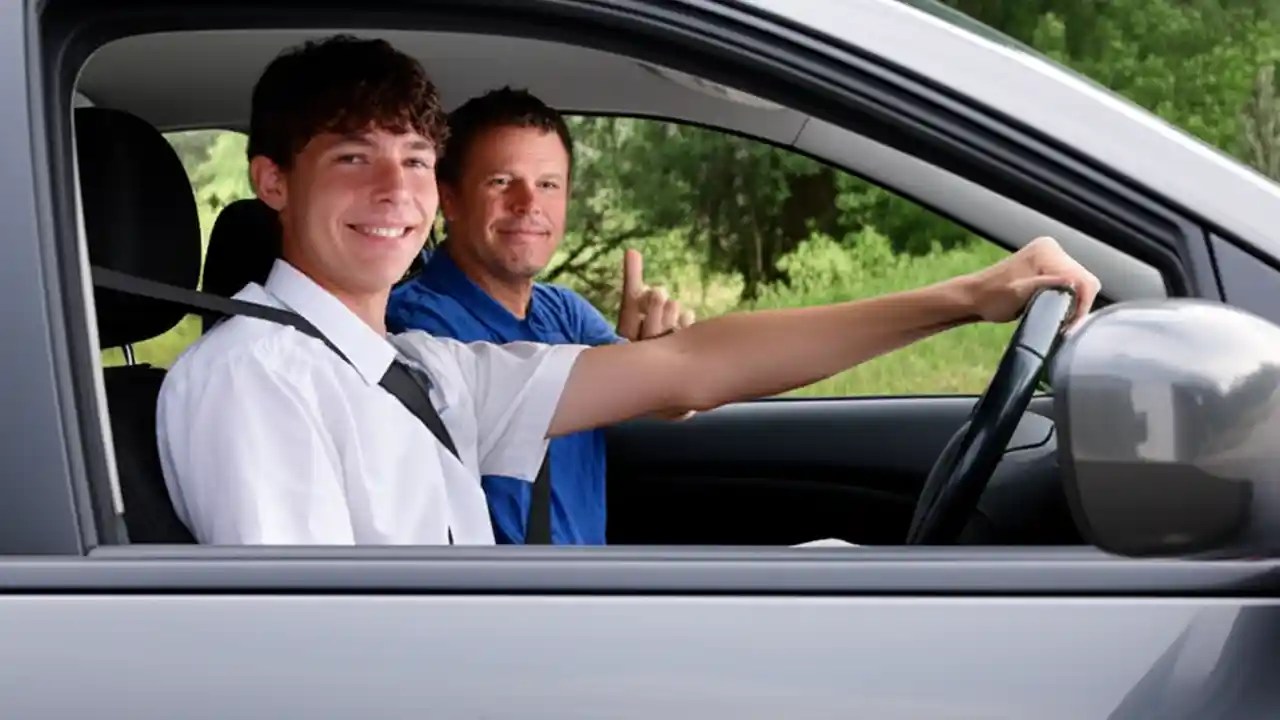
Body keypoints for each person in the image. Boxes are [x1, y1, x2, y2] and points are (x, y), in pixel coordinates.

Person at [156, 34, 1101, 546]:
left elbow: (691, 368)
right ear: (273, 181)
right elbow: (300, 652)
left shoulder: (424, 368)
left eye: (412, 159)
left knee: (829, 577)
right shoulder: (255, 376)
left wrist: (968, 296)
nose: (395, 192)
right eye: (353, 158)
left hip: (499, 658)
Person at [386, 88, 694, 545]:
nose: (528, 203)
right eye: (501, 182)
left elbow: (670, 402)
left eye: (548, 185)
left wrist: (658, 354)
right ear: (448, 200)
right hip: (499, 587)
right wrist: (666, 368)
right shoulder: (412, 325)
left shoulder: (566, 312)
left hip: (583, 581)